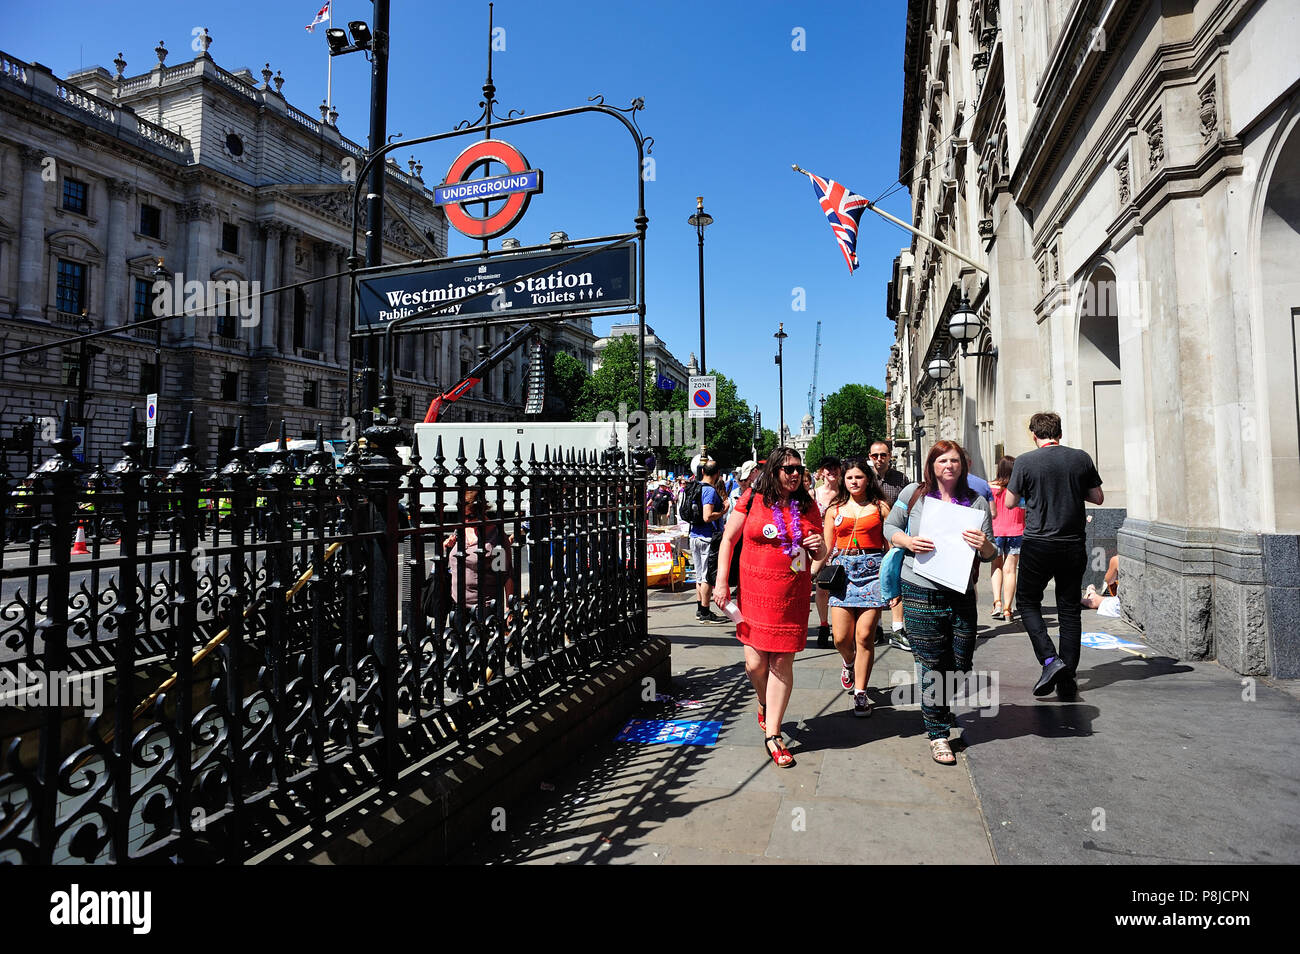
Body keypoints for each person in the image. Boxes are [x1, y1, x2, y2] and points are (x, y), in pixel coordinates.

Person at [884, 440, 996, 765]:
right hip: (919, 588)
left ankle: (938, 708)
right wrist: (908, 541)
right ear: (932, 465)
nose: (949, 466)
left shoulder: (976, 502)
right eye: (942, 460)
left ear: (964, 465)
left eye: (954, 460)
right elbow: (889, 526)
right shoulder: (914, 495)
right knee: (932, 663)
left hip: (960, 591)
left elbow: (990, 555)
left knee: (960, 664)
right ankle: (938, 733)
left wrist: (984, 544)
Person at [714, 448, 826, 768]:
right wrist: (722, 582)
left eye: (798, 469)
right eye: (787, 469)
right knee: (754, 665)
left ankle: (773, 734)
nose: (794, 474)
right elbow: (729, 539)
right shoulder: (751, 498)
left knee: (780, 663)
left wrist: (819, 547)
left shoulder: (807, 505)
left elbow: (818, 552)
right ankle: (764, 701)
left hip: (790, 595)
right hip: (753, 594)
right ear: (774, 471)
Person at [1004, 412, 1104, 698]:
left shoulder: (1025, 461)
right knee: (1069, 609)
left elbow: (1010, 502)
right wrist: (1070, 491)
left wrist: (1035, 495)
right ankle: (1067, 677)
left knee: (1027, 601)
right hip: (1073, 543)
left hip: (1039, 542)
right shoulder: (1080, 457)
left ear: (1034, 435)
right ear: (1059, 432)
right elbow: (1098, 497)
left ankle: (1050, 660)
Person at [822, 456, 891, 717]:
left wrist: (892, 580)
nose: (854, 481)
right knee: (840, 637)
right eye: (849, 477)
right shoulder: (834, 509)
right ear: (844, 480)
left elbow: (890, 547)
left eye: (859, 477)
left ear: (867, 479)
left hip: (873, 571)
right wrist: (813, 570)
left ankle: (861, 693)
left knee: (864, 636)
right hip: (843, 573)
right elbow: (828, 548)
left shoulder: (880, 507)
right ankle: (848, 662)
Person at [442, 487, 515, 614]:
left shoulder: (495, 537)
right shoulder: (460, 531)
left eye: (471, 516)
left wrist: (509, 608)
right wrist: (446, 547)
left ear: (483, 511)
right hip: (456, 605)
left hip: (482, 608)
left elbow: (504, 574)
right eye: (463, 515)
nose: (466, 521)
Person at [869, 440, 911, 650]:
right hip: (872, 537)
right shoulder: (866, 479)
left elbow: (911, 504)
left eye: (883, 455)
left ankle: (897, 628)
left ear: (890, 456)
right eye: (875, 455)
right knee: (875, 582)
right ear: (870, 457)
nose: (879, 459)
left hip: (895, 536)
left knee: (896, 580)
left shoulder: (900, 479)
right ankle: (876, 626)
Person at [690, 459, 729, 624]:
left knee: (699, 575)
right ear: (717, 474)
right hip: (707, 537)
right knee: (706, 576)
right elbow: (707, 516)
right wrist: (723, 511)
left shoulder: (693, 487)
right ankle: (705, 612)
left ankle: (700, 609)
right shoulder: (709, 491)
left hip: (694, 535)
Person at [988, 455, 1024, 623]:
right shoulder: (1020, 489)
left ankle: (997, 602)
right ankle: (1008, 609)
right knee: (1011, 570)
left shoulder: (990, 488)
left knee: (996, 566)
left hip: (995, 532)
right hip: (1016, 531)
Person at [810, 456, 841, 648]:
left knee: (839, 587)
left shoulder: (846, 492)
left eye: (835, 468)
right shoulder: (814, 494)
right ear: (822, 472)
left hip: (841, 545)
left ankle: (841, 626)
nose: (831, 471)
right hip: (820, 546)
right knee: (822, 588)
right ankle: (823, 625)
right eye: (827, 468)